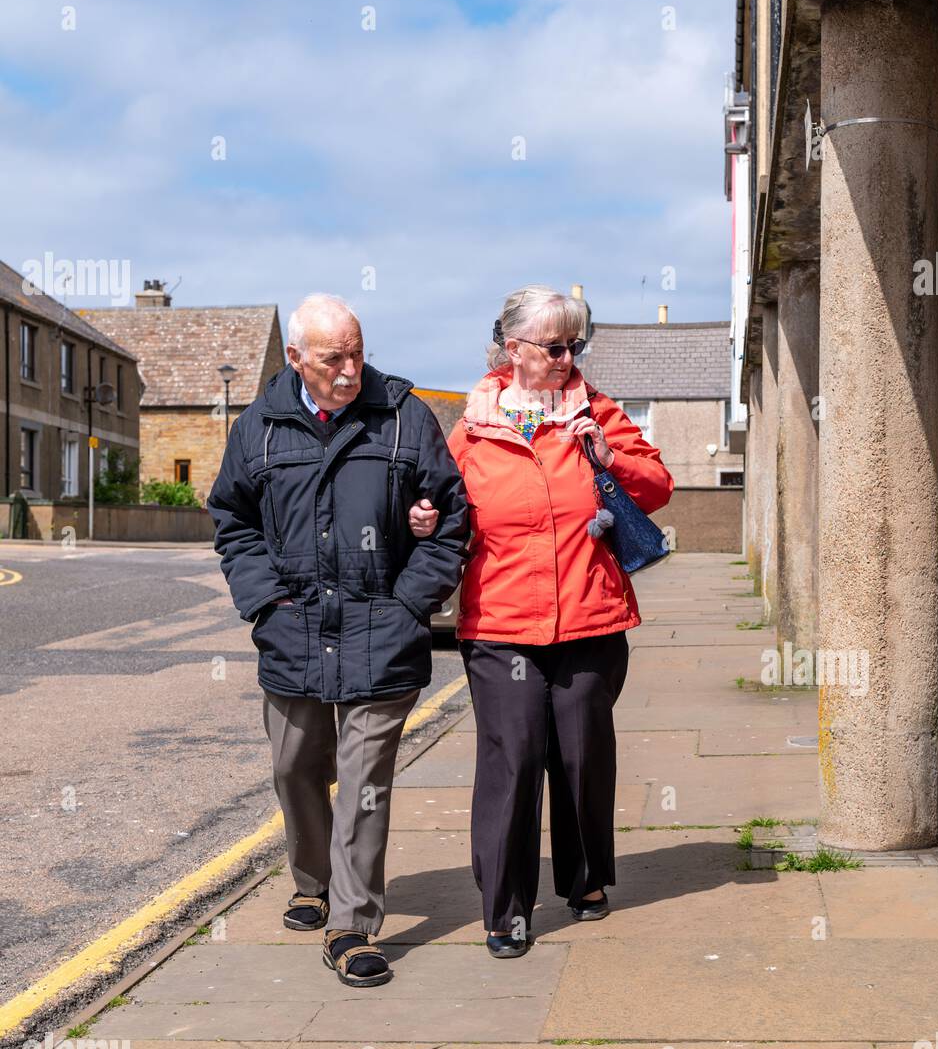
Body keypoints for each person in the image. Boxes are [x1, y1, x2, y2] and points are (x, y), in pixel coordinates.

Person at [208, 293, 467, 986]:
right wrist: (264, 599)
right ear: (296, 359)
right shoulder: (259, 425)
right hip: (293, 632)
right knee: (295, 769)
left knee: (362, 784)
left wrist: (412, 601)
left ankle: (351, 926)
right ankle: (311, 876)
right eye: (333, 358)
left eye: (357, 351)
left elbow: (451, 516)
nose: (351, 369)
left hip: (384, 636)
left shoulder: (406, 417)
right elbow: (231, 519)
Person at [446, 285, 674, 956]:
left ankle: (584, 879)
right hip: (500, 623)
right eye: (553, 345)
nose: (566, 355)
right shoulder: (475, 424)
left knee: (582, 755)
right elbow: (438, 504)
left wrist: (609, 456)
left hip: (590, 616)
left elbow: (657, 485)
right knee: (512, 759)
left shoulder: (595, 409)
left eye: (574, 343)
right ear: (511, 347)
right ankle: (505, 910)